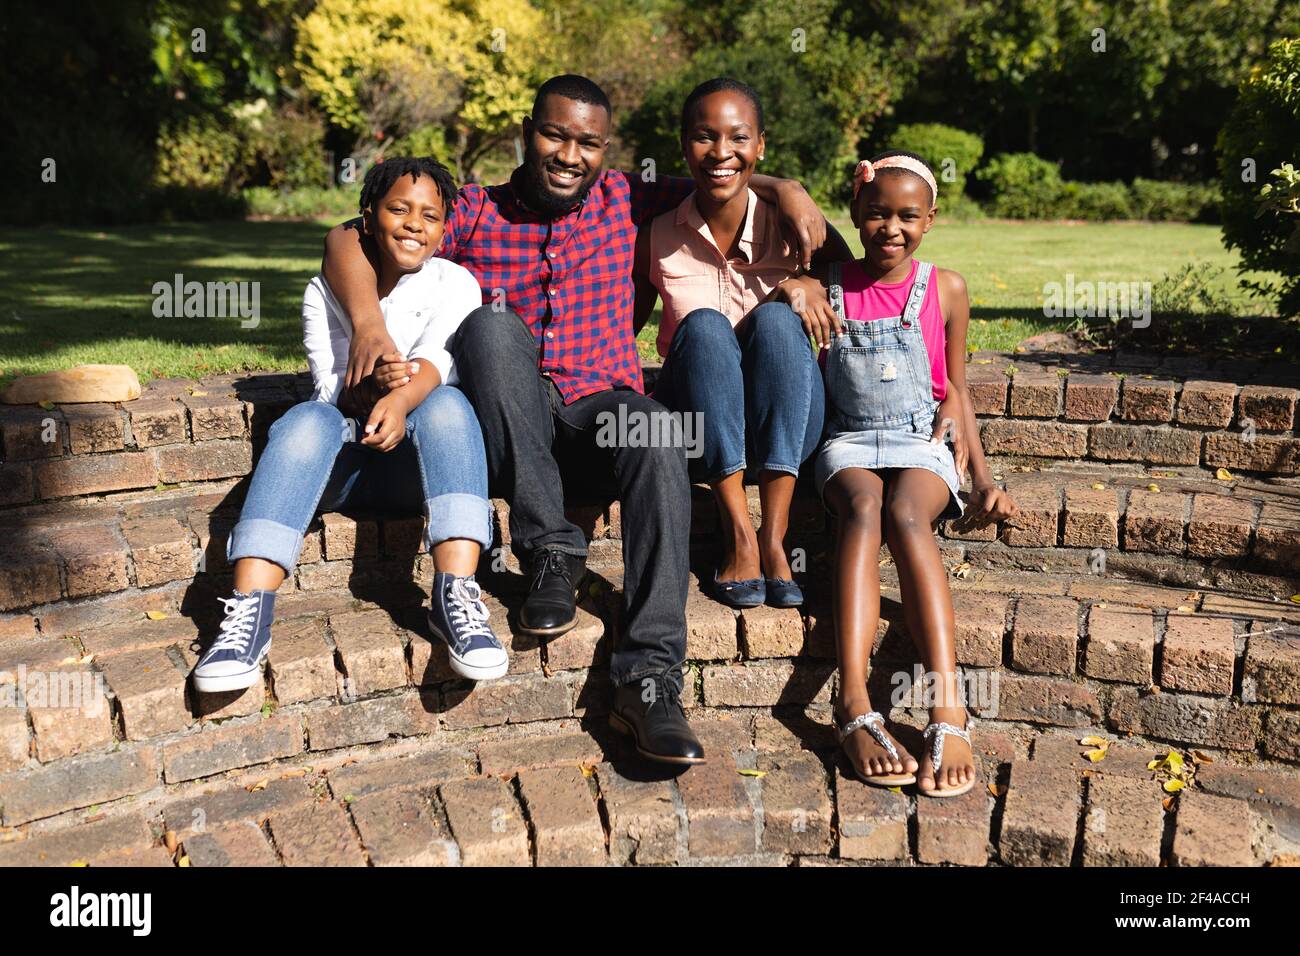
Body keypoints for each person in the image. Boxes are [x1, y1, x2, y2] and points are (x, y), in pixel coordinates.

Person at [321, 75, 834, 765]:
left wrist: (787, 187)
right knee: (493, 326)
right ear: (525, 132)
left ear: (606, 149)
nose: (570, 154)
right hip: (512, 423)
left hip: (600, 412)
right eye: (555, 135)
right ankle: (551, 550)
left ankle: (650, 676)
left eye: (588, 143)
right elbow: (347, 236)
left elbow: (720, 171)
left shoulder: (625, 197)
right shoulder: (472, 211)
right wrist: (366, 325)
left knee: (653, 432)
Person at [193, 157, 506, 694]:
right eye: (399, 210)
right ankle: (245, 619)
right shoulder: (325, 291)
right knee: (307, 418)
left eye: (430, 215)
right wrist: (371, 387)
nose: (414, 224)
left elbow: (436, 365)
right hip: (345, 467)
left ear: (444, 227)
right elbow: (331, 387)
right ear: (368, 216)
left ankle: (456, 596)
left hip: (420, 470)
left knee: (448, 406)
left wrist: (403, 398)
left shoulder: (456, 284)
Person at [811, 150, 1018, 795]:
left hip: (920, 437)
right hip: (848, 442)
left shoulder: (945, 287)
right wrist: (795, 286)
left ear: (930, 219)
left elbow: (956, 386)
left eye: (906, 216)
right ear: (855, 212)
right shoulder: (830, 285)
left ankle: (947, 706)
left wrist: (982, 476)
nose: (890, 228)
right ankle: (851, 699)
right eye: (875, 214)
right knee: (866, 508)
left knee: (906, 513)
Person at [633, 77, 848, 610]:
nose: (721, 153)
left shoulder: (796, 225)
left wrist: (808, 282)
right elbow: (620, 331)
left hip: (788, 427)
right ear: (684, 145)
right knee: (704, 325)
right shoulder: (656, 234)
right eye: (705, 137)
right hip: (701, 433)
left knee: (778, 321)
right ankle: (739, 535)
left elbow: (858, 286)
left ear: (760, 145)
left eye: (738, 137)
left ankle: (774, 538)